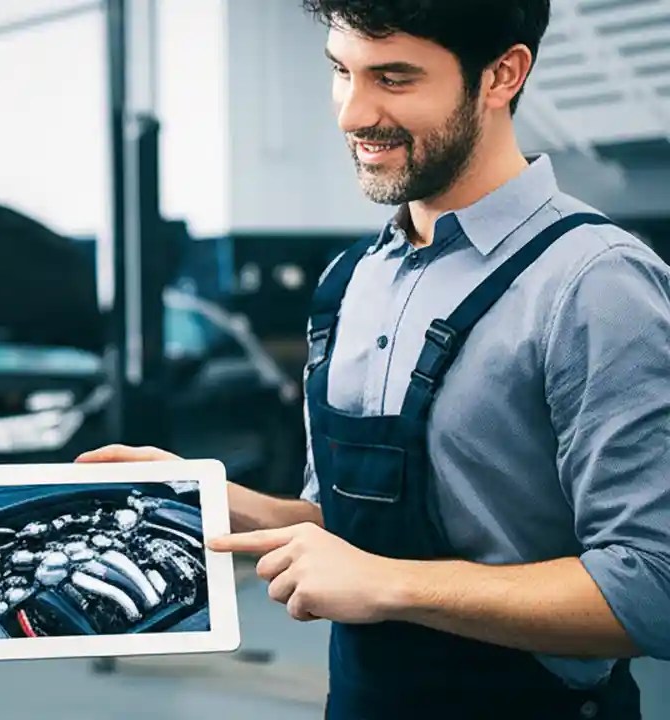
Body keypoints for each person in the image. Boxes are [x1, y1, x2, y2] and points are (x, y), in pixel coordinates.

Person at [79, 1, 670, 718]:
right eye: (341, 72)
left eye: (393, 78)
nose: (353, 114)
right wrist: (223, 504)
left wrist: (393, 585)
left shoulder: (594, 281)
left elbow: (653, 587)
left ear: (502, 75)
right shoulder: (349, 281)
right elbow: (352, 529)